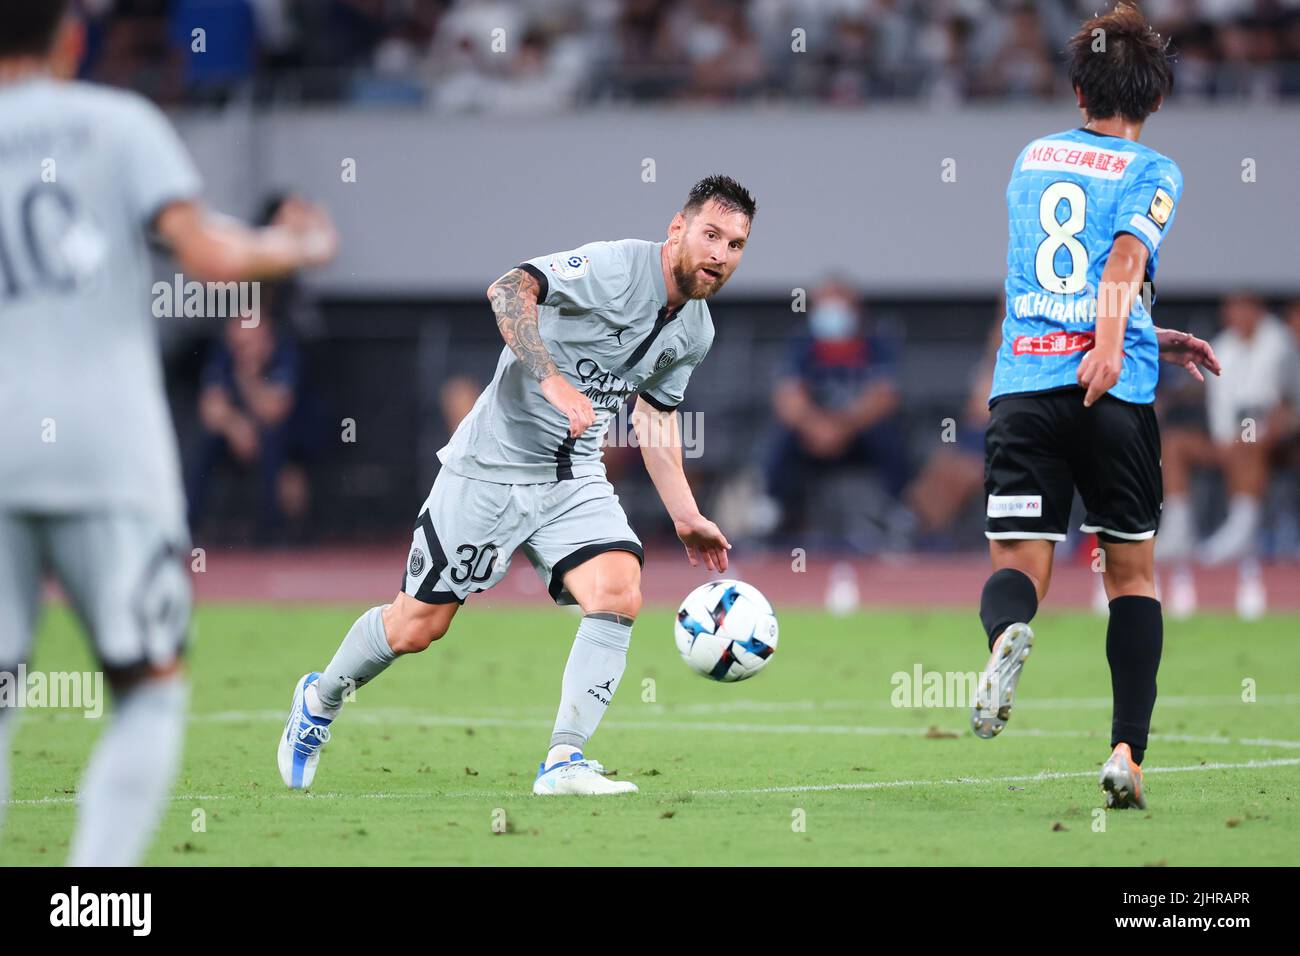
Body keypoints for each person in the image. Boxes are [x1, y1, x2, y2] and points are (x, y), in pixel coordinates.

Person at [279, 175, 754, 796]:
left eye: (736, 244)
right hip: (489, 470)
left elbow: (655, 418)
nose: (721, 254)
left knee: (618, 590)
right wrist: (553, 380)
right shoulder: (614, 268)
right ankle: (320, 699)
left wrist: (685, 514)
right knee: (416, 627)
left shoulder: (697, 332)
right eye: (711, 234)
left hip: (574, 477)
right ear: (677, 229)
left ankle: (564, 760)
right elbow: (508, 289)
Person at [0, 2, 336, 864]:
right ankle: (92, 894)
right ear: (72, 38)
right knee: (147, 688)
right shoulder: (119, 123)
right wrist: (294, 244)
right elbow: (210, 256)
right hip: (107, 450)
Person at [968, 3, 1220, 811]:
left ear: (1078, 91)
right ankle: (1125, 755)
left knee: (1019, 566)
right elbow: (1119, 260)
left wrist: (1145, 327)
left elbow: (1066, 271)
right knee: (1133, 575)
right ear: (1154, 99)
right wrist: (1114, 345)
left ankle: (1007, 636)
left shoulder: (1030, 157)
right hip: (1112, 392)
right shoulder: (1157, 171)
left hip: (1024, 385)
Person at [1159, 293, 1296, 617]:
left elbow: (1279, 405)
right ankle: (1179, 529)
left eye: (1239, 308)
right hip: (1227, 435)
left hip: (1273, 436)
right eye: (1229, 309)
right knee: (1176, 443)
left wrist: (1245, 435)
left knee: (1246, 440)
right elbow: (1213, 395)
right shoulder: (1222, 344)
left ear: (1255, 310)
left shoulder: (1279, 343)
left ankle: (1243, 525)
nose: (1232, 315)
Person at [763, 279, 906, 544]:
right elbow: (788, 397)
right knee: (783, 437)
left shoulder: (874, 343)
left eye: (840, 304)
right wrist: (815, 425)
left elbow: (884, 397)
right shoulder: (802, 344)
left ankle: (896, 513)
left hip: (856, 433)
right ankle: (774, 511)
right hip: (813, 435)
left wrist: (843, 427)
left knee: (887, 436)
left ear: (855, 309)